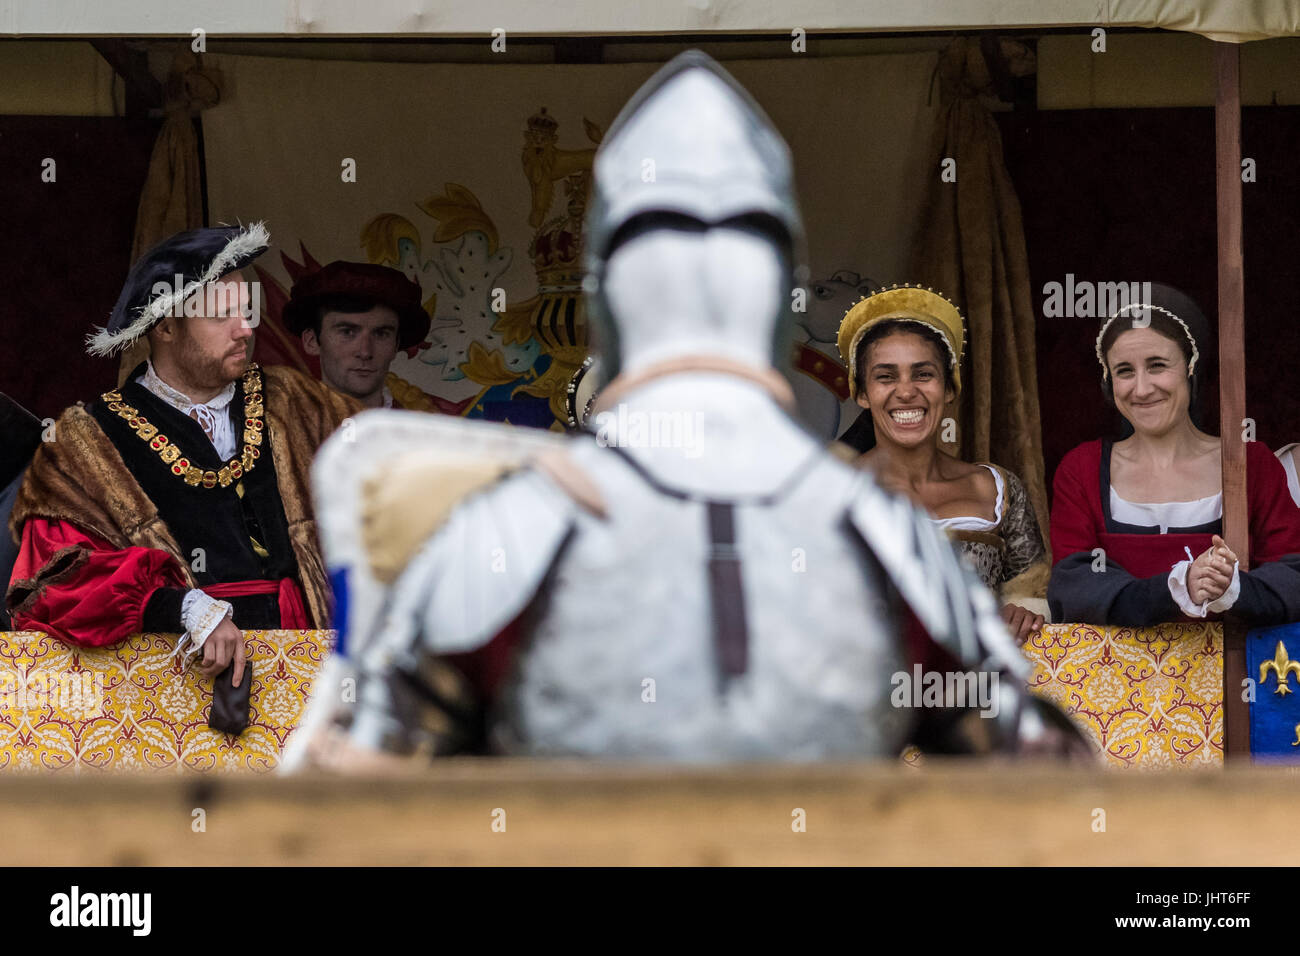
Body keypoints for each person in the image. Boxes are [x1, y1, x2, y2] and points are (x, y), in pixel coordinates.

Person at [287, 51, 1086, 770]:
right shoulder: (882, 536)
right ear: (777, 284)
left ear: (607, 293)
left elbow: (354, 804)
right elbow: (1041, 776)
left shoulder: (509, 532)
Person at [6, 224, 358, 708]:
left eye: (246, 309)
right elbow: (51, 583)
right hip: (170, 695)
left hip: (310, 677)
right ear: (165, 326)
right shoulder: (84, 442)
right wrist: (182, 607)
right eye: (223, 316)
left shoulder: (301, 403)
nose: (246, 328)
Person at [1048, 284, 1300, 626]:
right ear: (1109, 380)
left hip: (1233, 675)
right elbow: (1072, 587)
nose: (1141, 388)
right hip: (1113, 677)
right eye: (1124, 371)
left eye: (1157, 365)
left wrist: (1231, 589)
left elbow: (1293, 575)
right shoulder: (1082, 470)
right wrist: (1176, 589)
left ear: (1191, 367)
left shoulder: (1251, 465)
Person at [837, 284, 1050, 642]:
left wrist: (1023, 613)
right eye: (885, 376)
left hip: (976, 692)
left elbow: (1033, 596)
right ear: (861, 393)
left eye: (923, 374)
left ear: (949, 388)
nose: (906, 391)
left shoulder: (996, 488)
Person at [283, 260, 431, 409]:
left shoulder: (421, 431)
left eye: (381, 334)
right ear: (312, 341)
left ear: (396, 345)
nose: (365, 352)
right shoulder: (277, 428)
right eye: (347, 332)